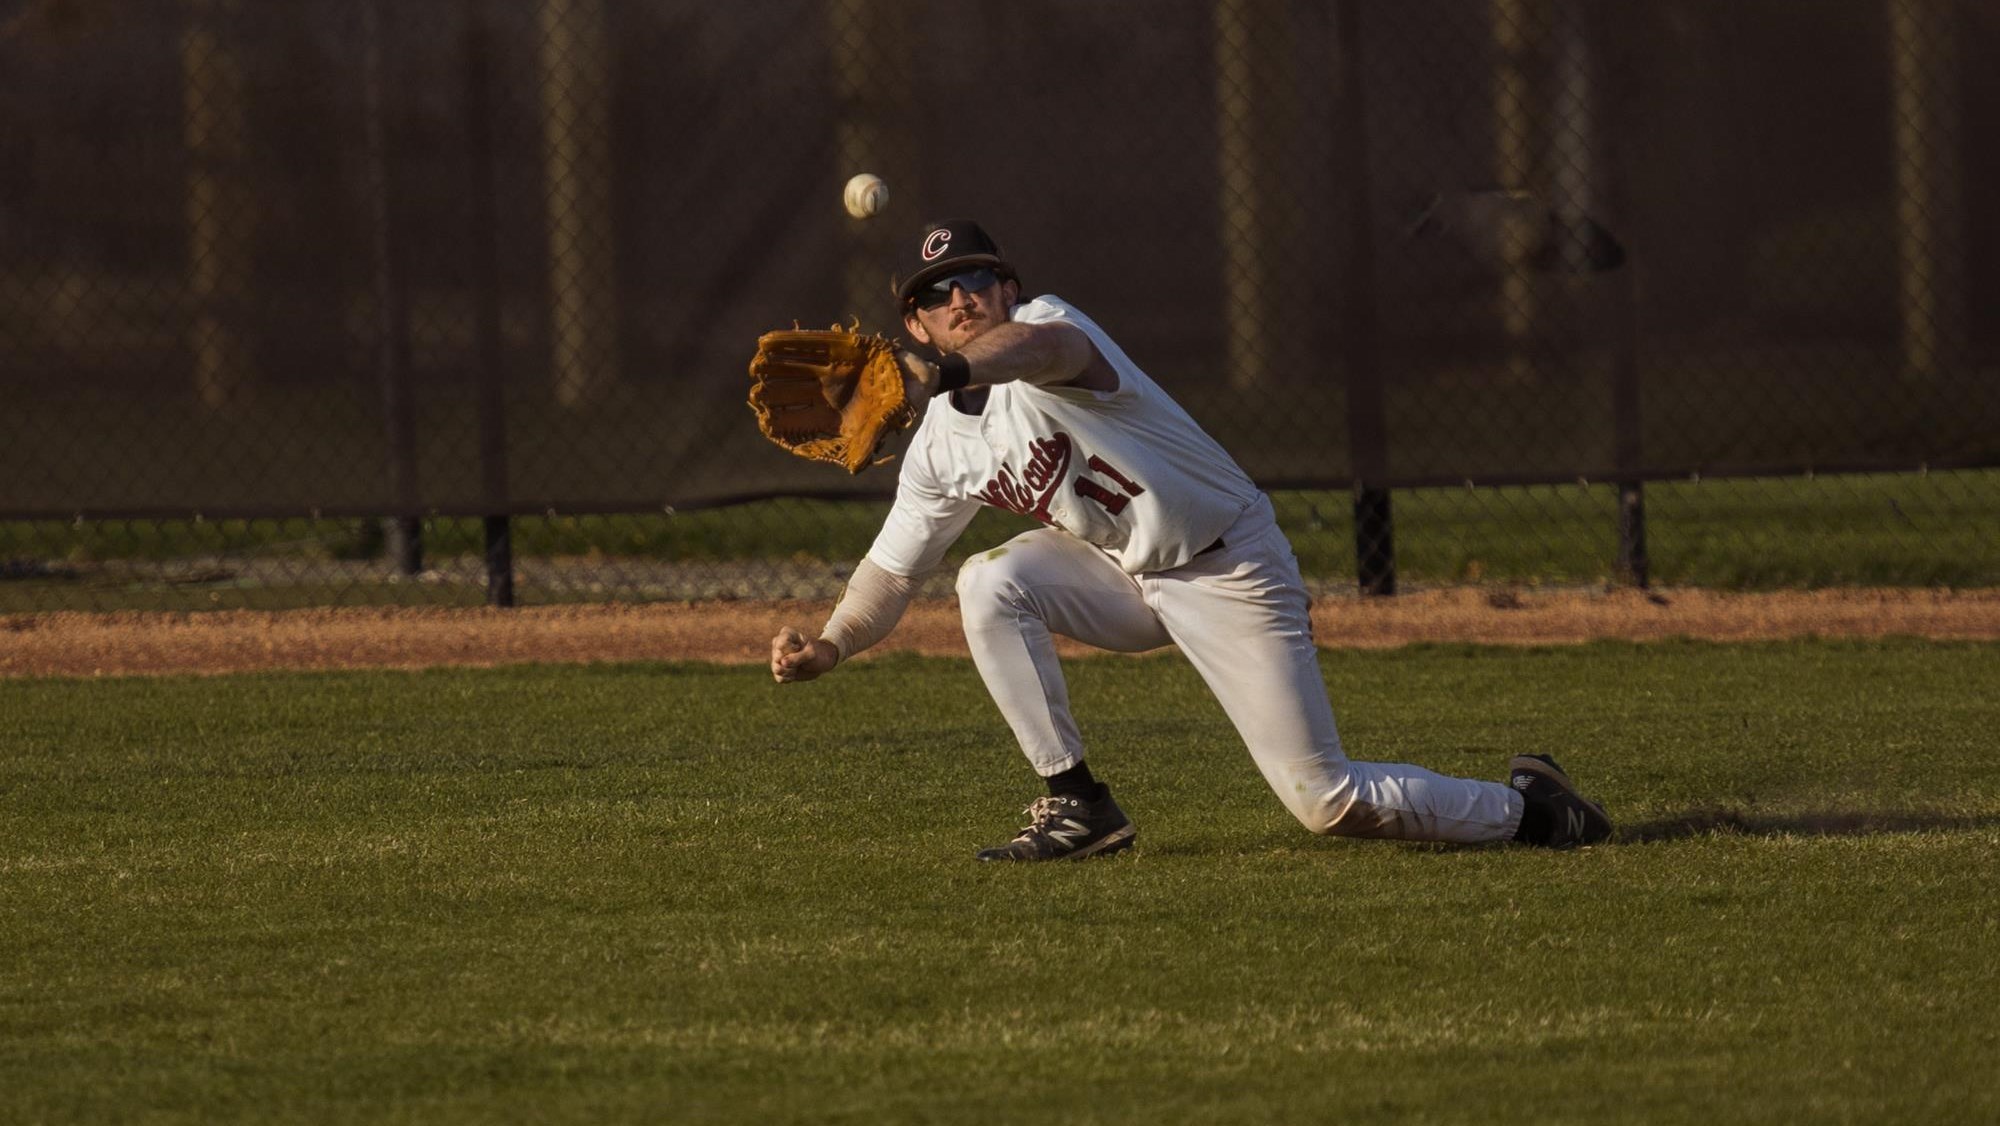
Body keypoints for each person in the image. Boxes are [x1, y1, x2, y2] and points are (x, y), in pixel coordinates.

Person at [769, 218, 1611, 861]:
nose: (961, 299)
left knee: (1325, 802)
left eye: (977, 279)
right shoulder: (939, 447)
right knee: (988, 582)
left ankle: (1534, 808)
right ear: (913, 324)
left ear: (1007, 287)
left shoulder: (1051, 329)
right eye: (936, 294)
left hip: (1230, 565)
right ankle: (1078, 804)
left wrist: (950, 368)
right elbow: (889, 573)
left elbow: (1036, 348)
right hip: (1125, 577)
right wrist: (832, 646)